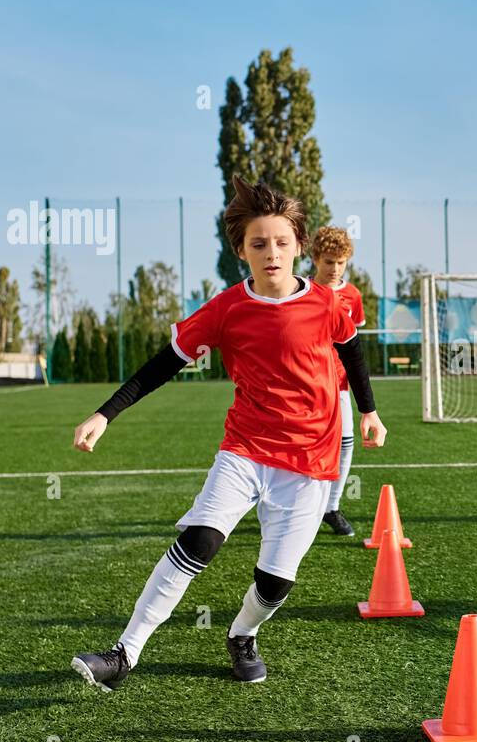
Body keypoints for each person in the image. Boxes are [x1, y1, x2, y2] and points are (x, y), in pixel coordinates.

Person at [69, 176, 386, 691]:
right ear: (241, 250)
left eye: (282, 242)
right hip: (245, 449)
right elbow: (162, 365)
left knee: (275, 581)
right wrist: (106, 413)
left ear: (298, 246)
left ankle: (242, 635)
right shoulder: (227, 308)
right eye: (258, 243)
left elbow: (351, 350)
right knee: (199, 541)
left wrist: (368, 412)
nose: (272, 253)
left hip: (310, 462)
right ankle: (124, 653)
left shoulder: (327, 304)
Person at [308, 226, 366, 537]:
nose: (335, 269)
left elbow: (353, 345)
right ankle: (287, 505)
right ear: (315, 258)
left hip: (339, 384)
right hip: (305, 384)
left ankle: (331, 507)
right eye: (329, 261)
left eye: (341, 262)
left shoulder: (352, 296)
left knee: (345, 444)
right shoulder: (300, 291)